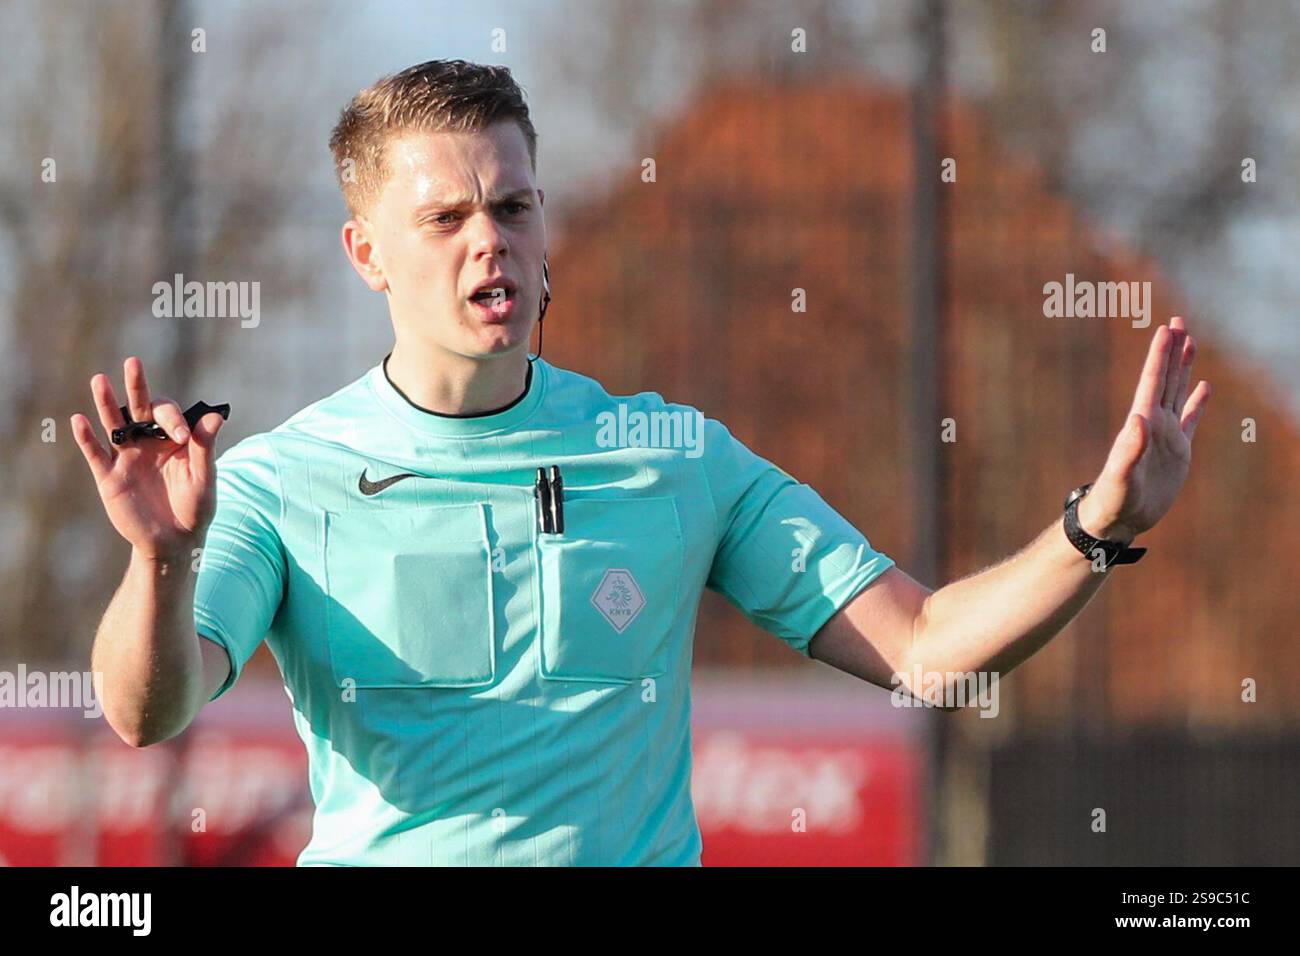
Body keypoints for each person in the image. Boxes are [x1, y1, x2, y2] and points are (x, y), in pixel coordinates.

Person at [71, 59, 1211, 866]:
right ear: (365, 252)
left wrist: (1090, 532)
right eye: (447, 217)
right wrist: (163, 564)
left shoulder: (670, 455)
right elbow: (145, 708)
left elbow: (923, 650)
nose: (491, 240)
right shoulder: (281, 480)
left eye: (514, 205)